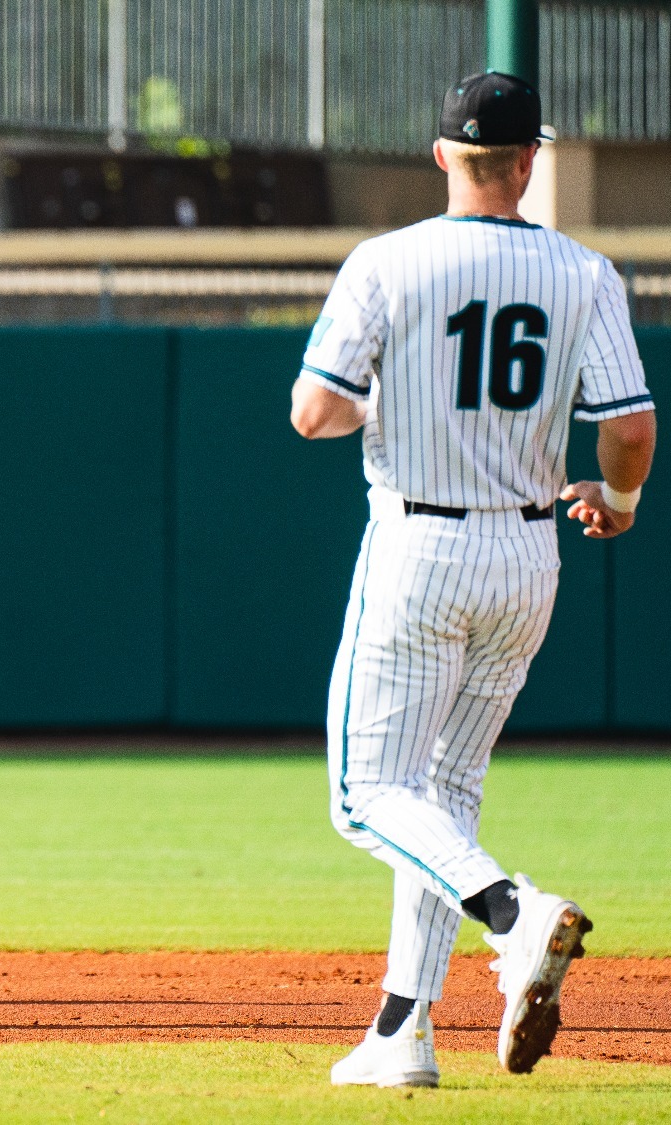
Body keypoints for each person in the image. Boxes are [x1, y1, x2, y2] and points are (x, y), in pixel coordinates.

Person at [292, 72, 655, 1085]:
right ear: (529, 162)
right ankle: (399, 1036)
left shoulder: (386, 262)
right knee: (441, 797)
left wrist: (387, 406)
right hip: (526, 553)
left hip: (418, 546)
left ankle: (512, 913)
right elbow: (626, 429)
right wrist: (618, 507)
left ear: (443, 153)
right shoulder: (584, 273)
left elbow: (312, 413)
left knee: (366, 797)